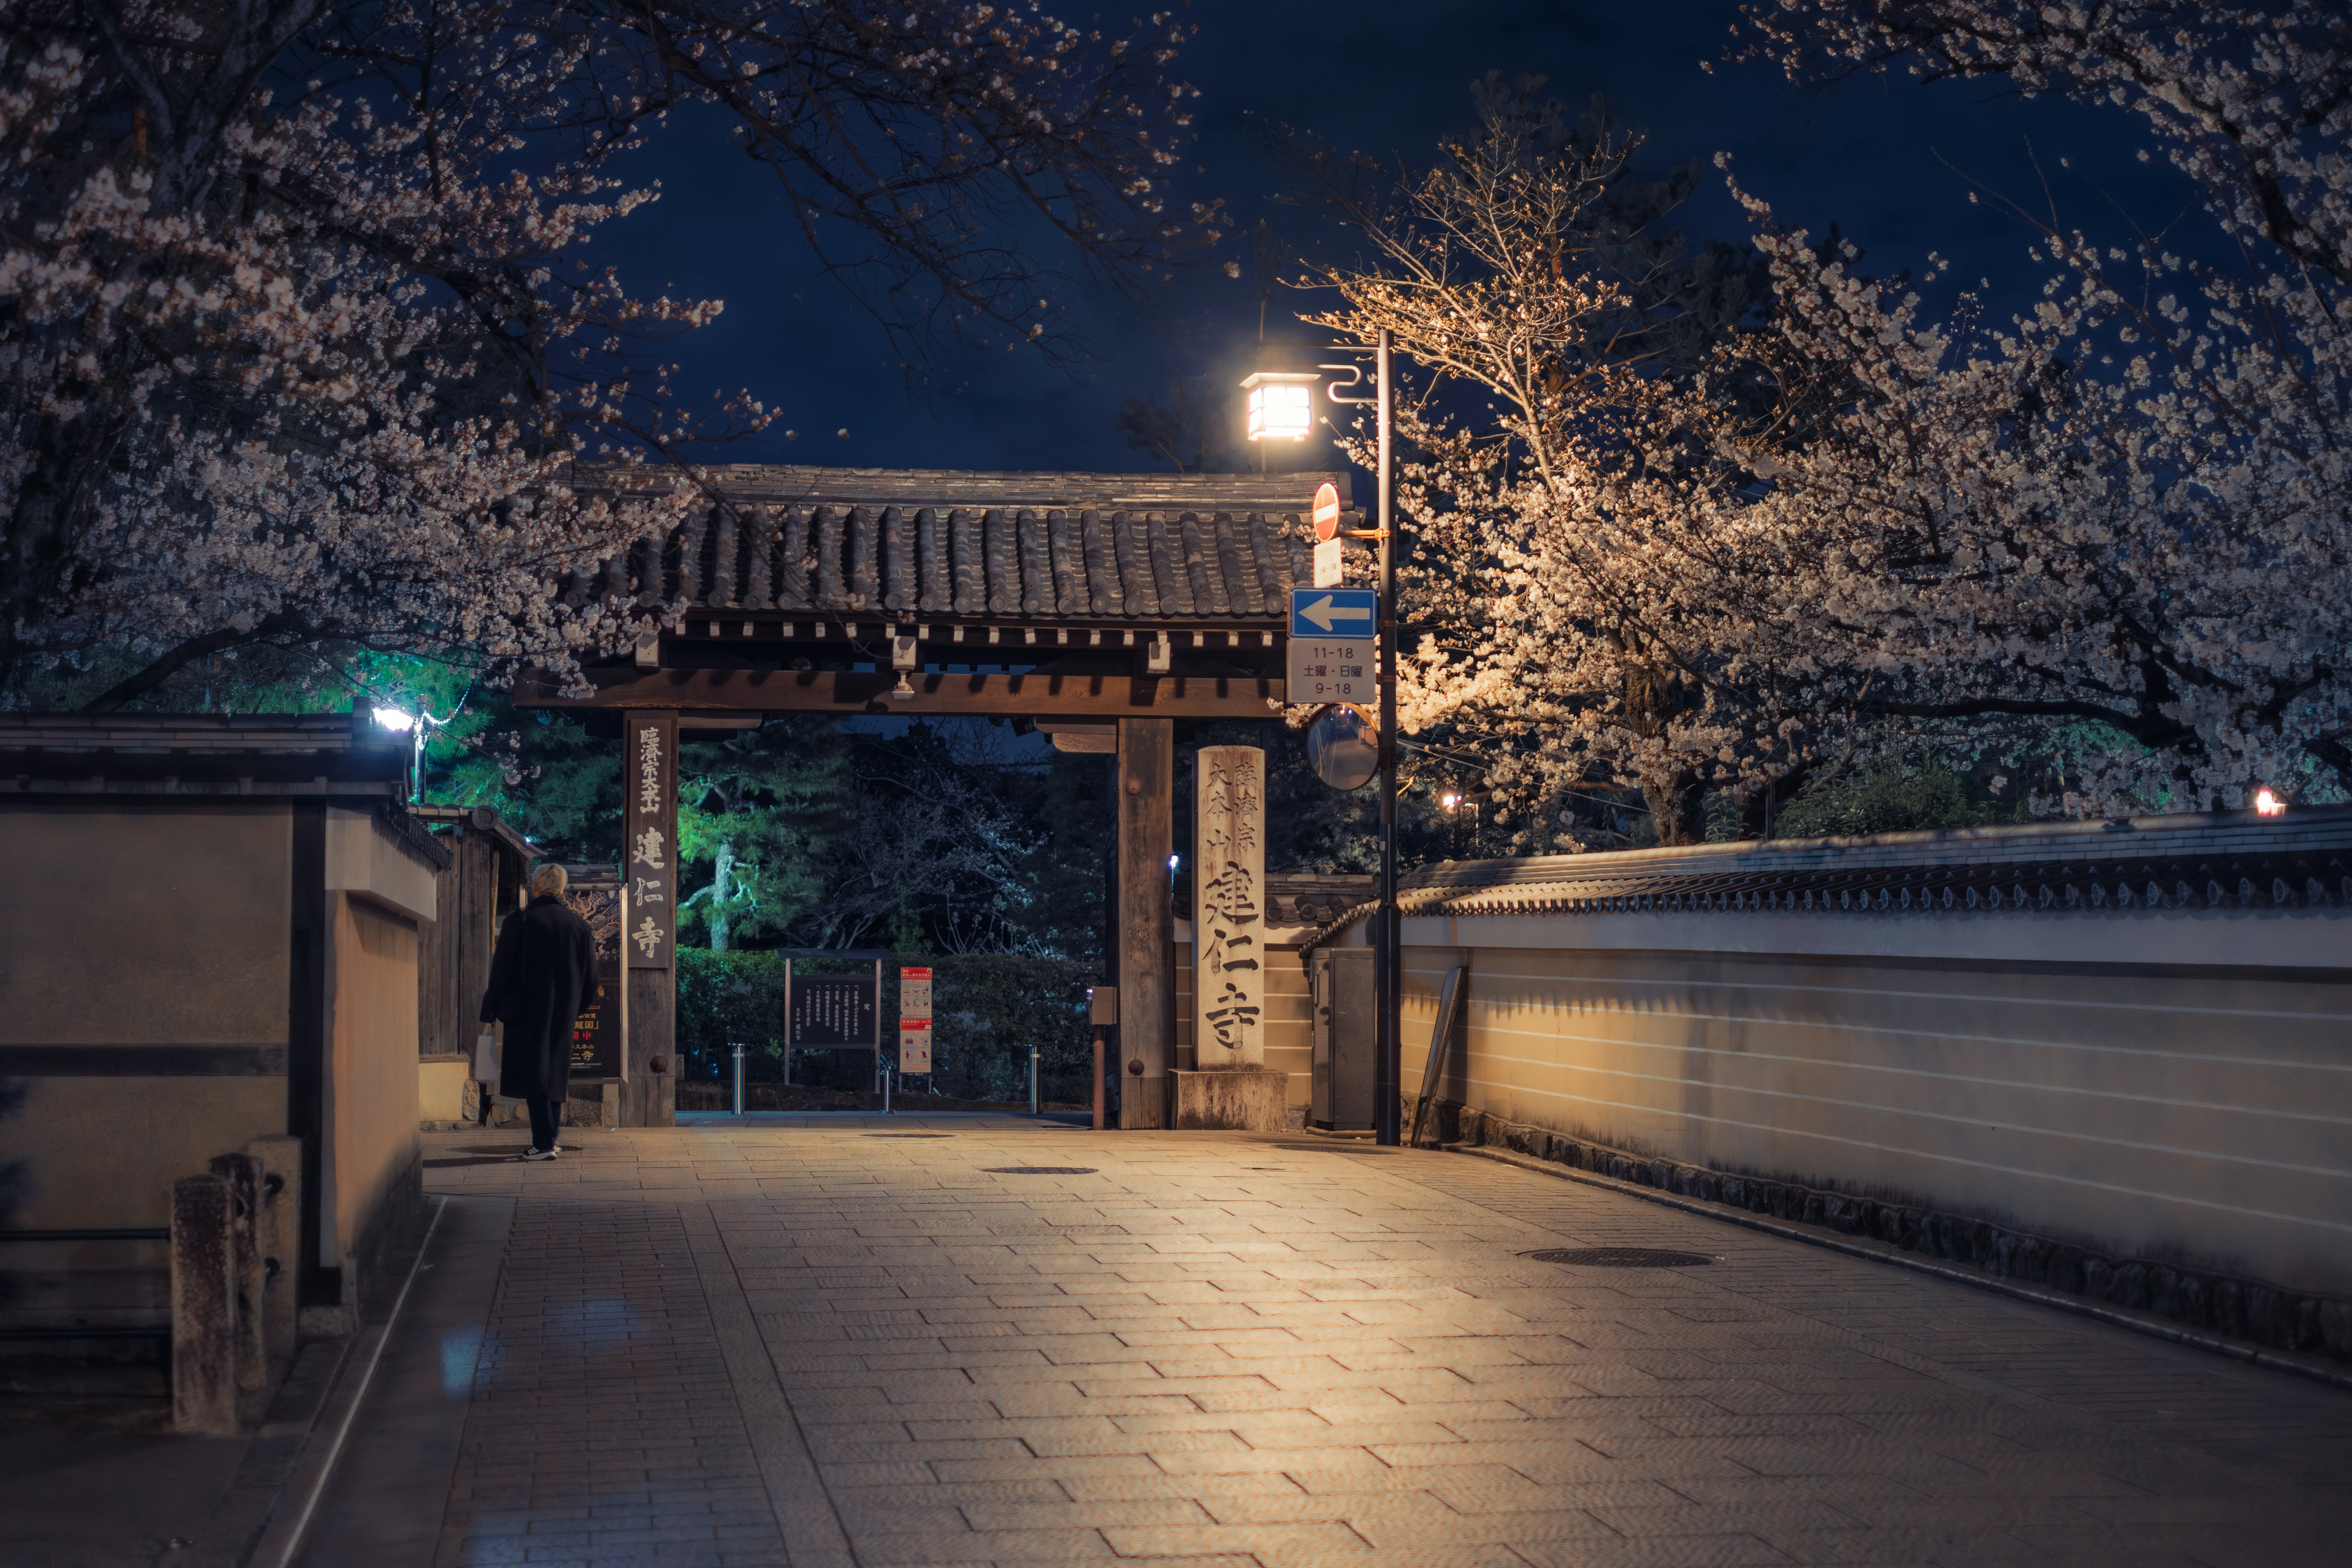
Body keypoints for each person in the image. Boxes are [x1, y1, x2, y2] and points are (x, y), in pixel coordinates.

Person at [480, 862, 597, 1160]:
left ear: (535, 887)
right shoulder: (579, 926)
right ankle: (549, 1140)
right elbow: (590, 981)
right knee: (554, 1075)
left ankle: (543, 1144)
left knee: (534, 1075)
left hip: (526, 1012)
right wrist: (575, 1008)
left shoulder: (520, 921)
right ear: (562, 888)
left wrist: (490, 1009)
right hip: (563, 1012)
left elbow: (502, 970)